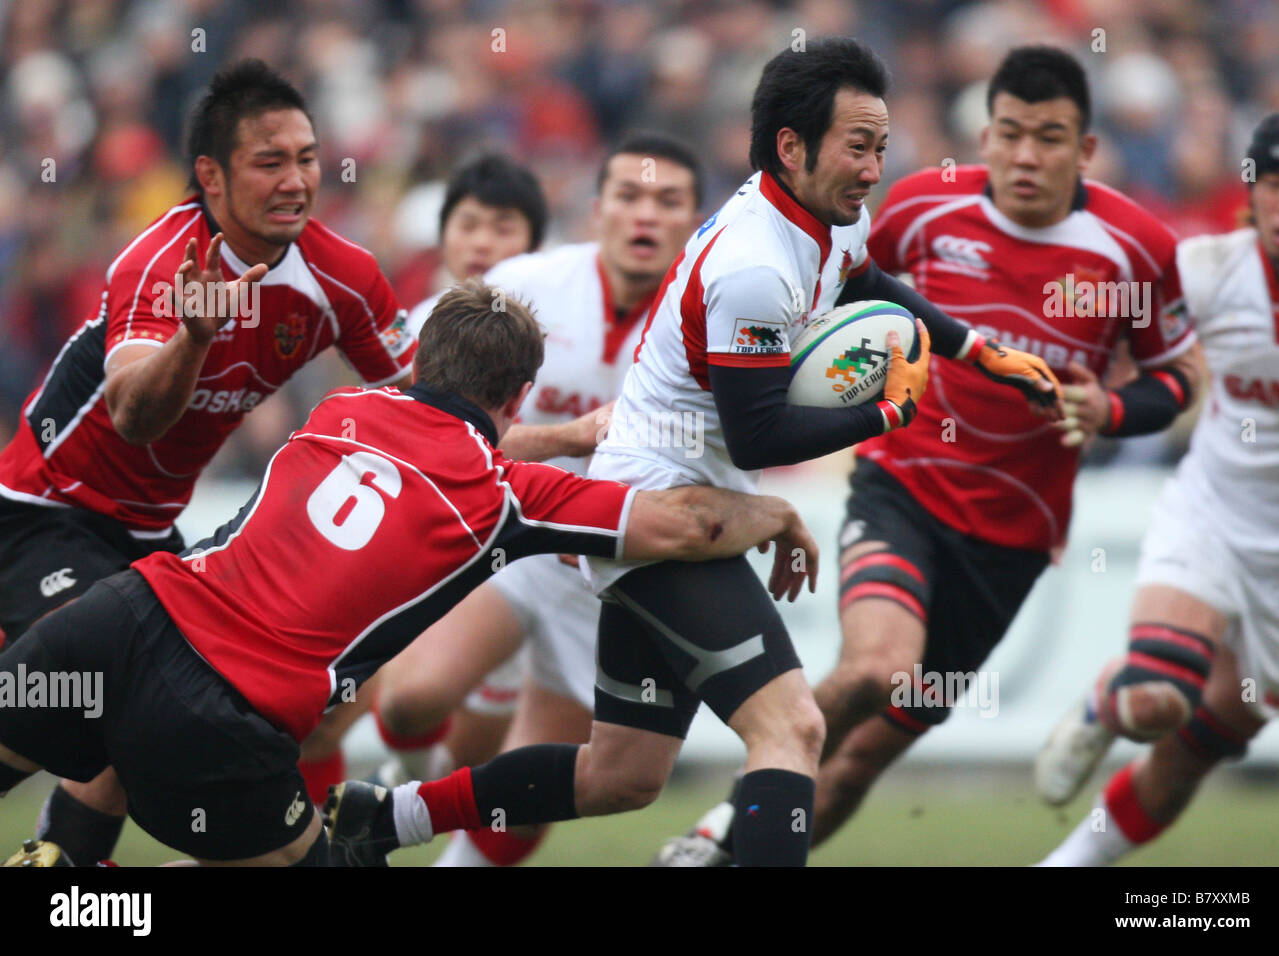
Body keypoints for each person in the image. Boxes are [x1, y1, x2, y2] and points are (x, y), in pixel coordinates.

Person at [325, 37, 1061, 868]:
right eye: (858, 146)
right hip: (663, 512)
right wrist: (889, 410)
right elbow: (761, 435)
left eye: (881, 148)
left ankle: (383, 820)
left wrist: (978, 354)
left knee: (622, 773)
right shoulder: (752, 265)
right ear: (792, 146)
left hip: (668, 505)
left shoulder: (816, 219)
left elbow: (868, 282)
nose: (873, 169)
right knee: (793, 728)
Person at [0, 279, 819, 867]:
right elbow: (685, 527)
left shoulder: (341, 410)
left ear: (420, 357)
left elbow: (427, 442)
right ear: (520, 395)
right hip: (225, 712)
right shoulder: (503, 494)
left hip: (126, 616)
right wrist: (775, 513)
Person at [655, 45, 1201, 866]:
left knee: (866, 757)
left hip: (1014, 538)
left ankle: (743, 853)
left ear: (1086, 149)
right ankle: (720, 831)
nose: (1025, 155)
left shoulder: (1136, 248)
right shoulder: (918, 209)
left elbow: (1180, 375)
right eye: (1010, 133)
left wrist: (1112, 409)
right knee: (876, 666)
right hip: (901, 490)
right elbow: (831, 289)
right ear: (984, 137)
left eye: (1049, 137)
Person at [0, 59, 416, 866]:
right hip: (45, 513)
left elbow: (430, 414)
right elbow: (134, 416)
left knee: (141, 709)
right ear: (211, 177)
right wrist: (193, 338)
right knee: (103, 693)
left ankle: (58, 868)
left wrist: (566, 447)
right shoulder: (158, 264)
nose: (296, 180)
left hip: (149, 536)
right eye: (271, 162)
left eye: (306, 157)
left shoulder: (344, 276)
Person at [363, 132, 704, 868]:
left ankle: (425, 833)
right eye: (631, 195)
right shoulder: (528, 286)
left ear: (695, 220)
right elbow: (427, 419)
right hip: (522, 545)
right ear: (598, 208)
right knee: (408, 699)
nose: (646, 214)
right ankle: (397, 796)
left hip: (617, 582)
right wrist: (570, 436)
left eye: (668, 200)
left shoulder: (717, 321)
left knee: (526, 809)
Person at [1034, 106, 1279, 866]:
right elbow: (1103, 311)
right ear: (1250, 190)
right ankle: (1104, 707)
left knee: (1194, 752)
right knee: (1154, 702)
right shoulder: (1212, 270)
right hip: (1212, 517)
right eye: (1275, 182)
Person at [294, 151, 561, 806]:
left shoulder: (561, 334)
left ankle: (396, 794)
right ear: (443, 234)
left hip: (520, 567)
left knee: (474, 765)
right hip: (409, 554)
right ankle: (330, 842)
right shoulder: (407, 331)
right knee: (325, 721)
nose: (483, 242)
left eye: (504, 227)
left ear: (535, 244)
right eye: (468, 224)